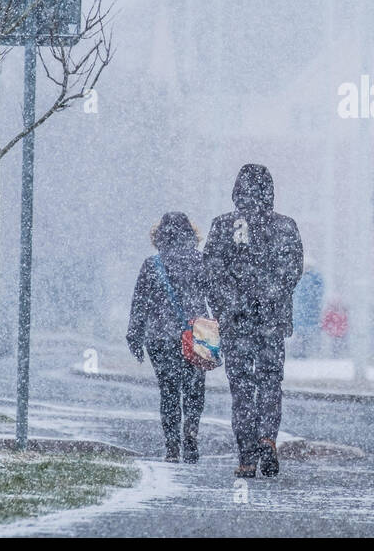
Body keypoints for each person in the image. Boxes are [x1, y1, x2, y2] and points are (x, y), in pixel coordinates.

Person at [204, 164, 303, 478]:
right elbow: (292, 271)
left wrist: (233, 304)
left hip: (237, 324)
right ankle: (267, 438)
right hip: (271, 321)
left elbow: (212, 273)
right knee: (270, 382)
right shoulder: (285, 226)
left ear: (237, 191)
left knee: (242, 387)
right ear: (269, 192)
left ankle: (247, 457)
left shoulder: (223, 226)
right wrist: (268, 297)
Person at [127, 212, 209, 463]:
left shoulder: (152, 265)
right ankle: (191, 433)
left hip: (160, 338)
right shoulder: (201, 261)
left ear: (159, 235)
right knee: (194, 389)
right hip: (196, 336)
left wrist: (134, 336)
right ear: (191, 234)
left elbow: (139, 305)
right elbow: (215, 296)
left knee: (169, 391)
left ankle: (172, 446)